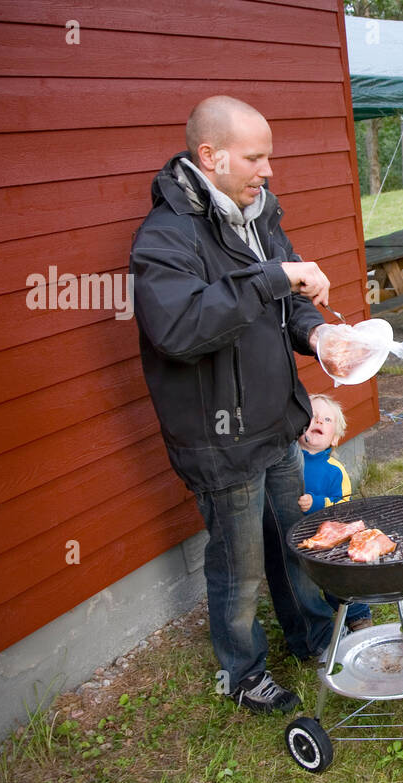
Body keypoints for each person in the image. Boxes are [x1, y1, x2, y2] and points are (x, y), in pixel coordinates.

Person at [131, 96, 340, 714]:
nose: (267, 170)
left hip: (277, 420)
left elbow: (290, 297)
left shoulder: (258, 212)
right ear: (210, 156)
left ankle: (314, 634)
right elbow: (183, 327)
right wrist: (277, 279)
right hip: (219, 440)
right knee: (240, 565)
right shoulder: (165, 236)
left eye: (268, 156)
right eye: (255, 157)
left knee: (300, 540)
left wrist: (319, 334)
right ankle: (244, 672)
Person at [297, 394, 372, 633]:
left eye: (326, 420)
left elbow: (344, 507)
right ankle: (318, 621)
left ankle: (357, 615)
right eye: (312, 417)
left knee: (338, 579)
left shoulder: (334, 471)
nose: (318, 421)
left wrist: (317, 503)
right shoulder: (287, 464)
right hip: (296, 536)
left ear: (335, 438)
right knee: (303, 582)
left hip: (330, 539)